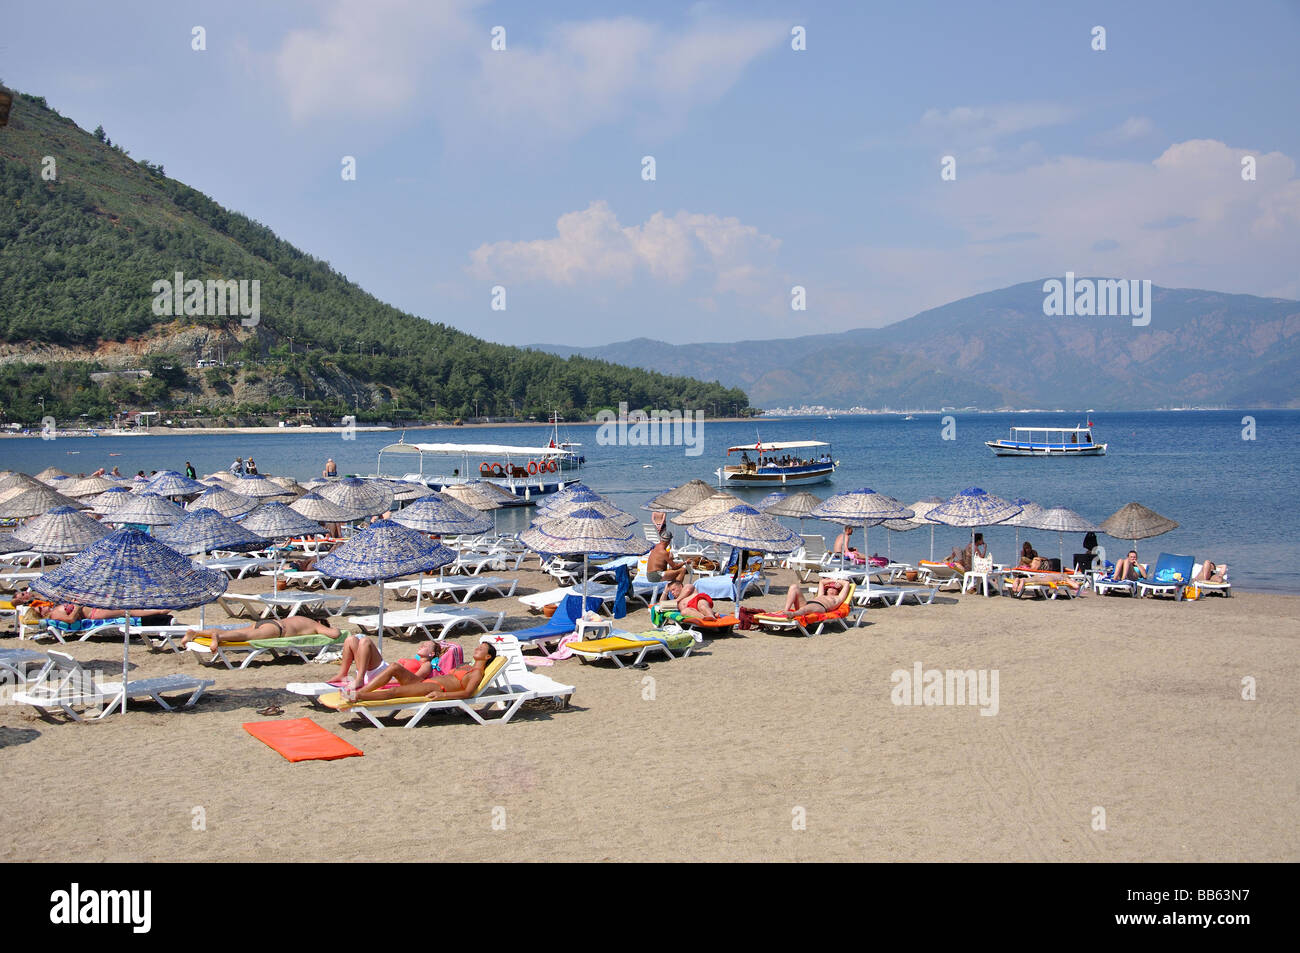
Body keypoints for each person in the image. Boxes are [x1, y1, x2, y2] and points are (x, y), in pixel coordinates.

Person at [341, 641, 497, 706]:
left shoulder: (477, 673)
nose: (477, 648)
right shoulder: (466, 666)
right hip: (425, 684)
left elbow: (468, 693)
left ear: (488, 656)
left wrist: (442, 696)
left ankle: (357, 697)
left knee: (395, 692)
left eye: (481, 649)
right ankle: (361, 690)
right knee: (395, 666)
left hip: (434, 688)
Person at [179, 614, 343, 651]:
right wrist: (334, 629)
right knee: (245, 637)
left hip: (270, 622)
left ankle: (196, 633)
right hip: (277, 630)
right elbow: (334, 634)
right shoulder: (314, 624)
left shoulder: (300, 617)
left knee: (237, 632)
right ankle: (218, 637)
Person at [332, 636, 439, 691]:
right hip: (378, 673)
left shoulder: (426, 665)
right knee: (350, 640)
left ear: (432, 653)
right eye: (422, 644)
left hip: (384, 675)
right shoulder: (414, 660)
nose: (421, 646)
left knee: (366, 641)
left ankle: (359, 679)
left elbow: (414, 680)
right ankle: (343, 674)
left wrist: (389, 681)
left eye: (425, 646)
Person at [779, 578, 850, 617]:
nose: (831, 588)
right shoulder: (821, 595)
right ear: (826, 590)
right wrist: (833, 581)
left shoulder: (838, 598)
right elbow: (821, 582)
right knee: (794, 587)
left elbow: (847, 583)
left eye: (834, 588)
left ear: (838, 591)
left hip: (820, 607)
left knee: (805, 609)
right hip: (808, 603)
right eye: (830, 587)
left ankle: (793, 614)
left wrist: (839, 583)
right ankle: (785, 611)